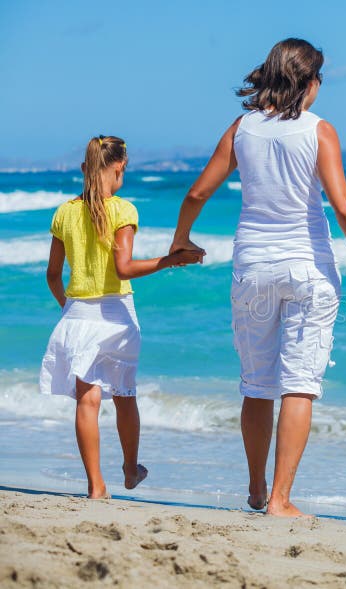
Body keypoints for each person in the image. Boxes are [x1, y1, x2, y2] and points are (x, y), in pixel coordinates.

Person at [169, 38, 346, 516]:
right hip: (308, 269)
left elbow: (198, 192)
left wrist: (181, 240)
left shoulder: (242, 128)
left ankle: (256, 489)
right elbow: (344, 208)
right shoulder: (319, 130)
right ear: (308, 82)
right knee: (299, 383)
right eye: (319, 78)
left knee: (256, 383)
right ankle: (281, 500)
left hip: (253, 267)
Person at [40, 135, 204, 499]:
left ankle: (96, 486)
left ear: (85, 168)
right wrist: (171, 260)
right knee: (124, 395)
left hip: (77, 314)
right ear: (119, 168)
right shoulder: (123, 210)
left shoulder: (64, 212)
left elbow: (53, 275)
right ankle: (130, 469)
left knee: (88, 399)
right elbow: (124, 268)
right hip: (116, 316)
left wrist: (68, 307)